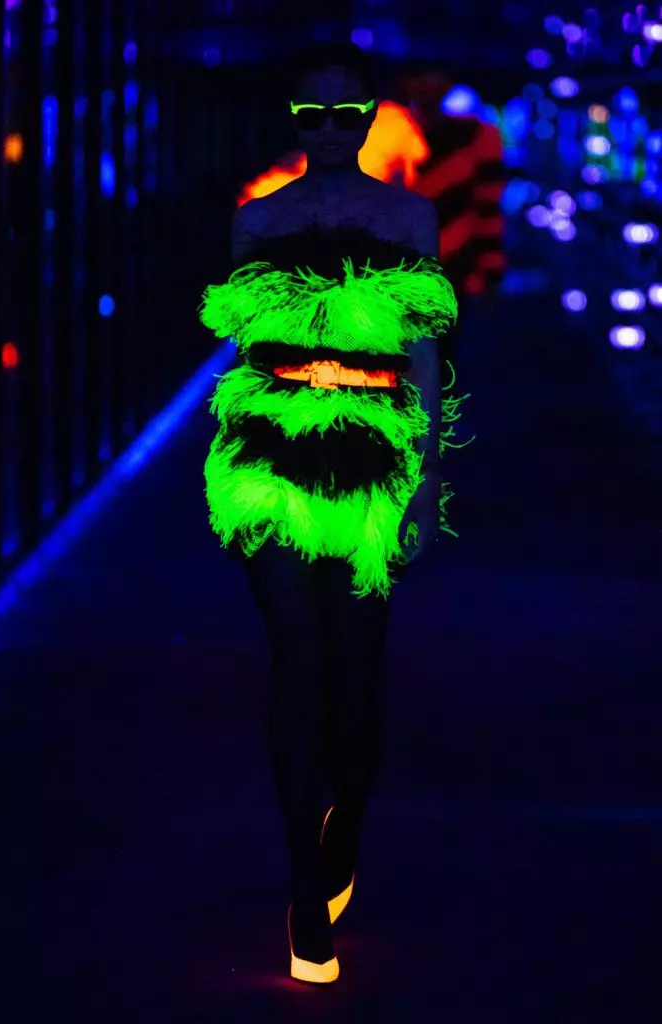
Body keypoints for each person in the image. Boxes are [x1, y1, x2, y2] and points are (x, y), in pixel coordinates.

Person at [199, 41, 463, 985]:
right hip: (267, 455)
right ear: (292, 120)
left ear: (368, 117)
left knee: (355, 678)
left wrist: (426, 484)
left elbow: (426, 358)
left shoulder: (410, 215)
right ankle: (305, 899)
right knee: (298, 660)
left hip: (373, 455)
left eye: (343, 114)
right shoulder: (257, 220)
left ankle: (341, 823)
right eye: (311, 115)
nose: (328, 130)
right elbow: (240, 353)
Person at [398, 66, 506, 377]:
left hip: (452, 271)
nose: (428, 85)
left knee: (441, 364)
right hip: (397, 270)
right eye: (420, 76)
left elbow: (488, 206)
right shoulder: (387, 132)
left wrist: (490, 271)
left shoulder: (477, 135)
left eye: (435, 76)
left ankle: (434, 421)